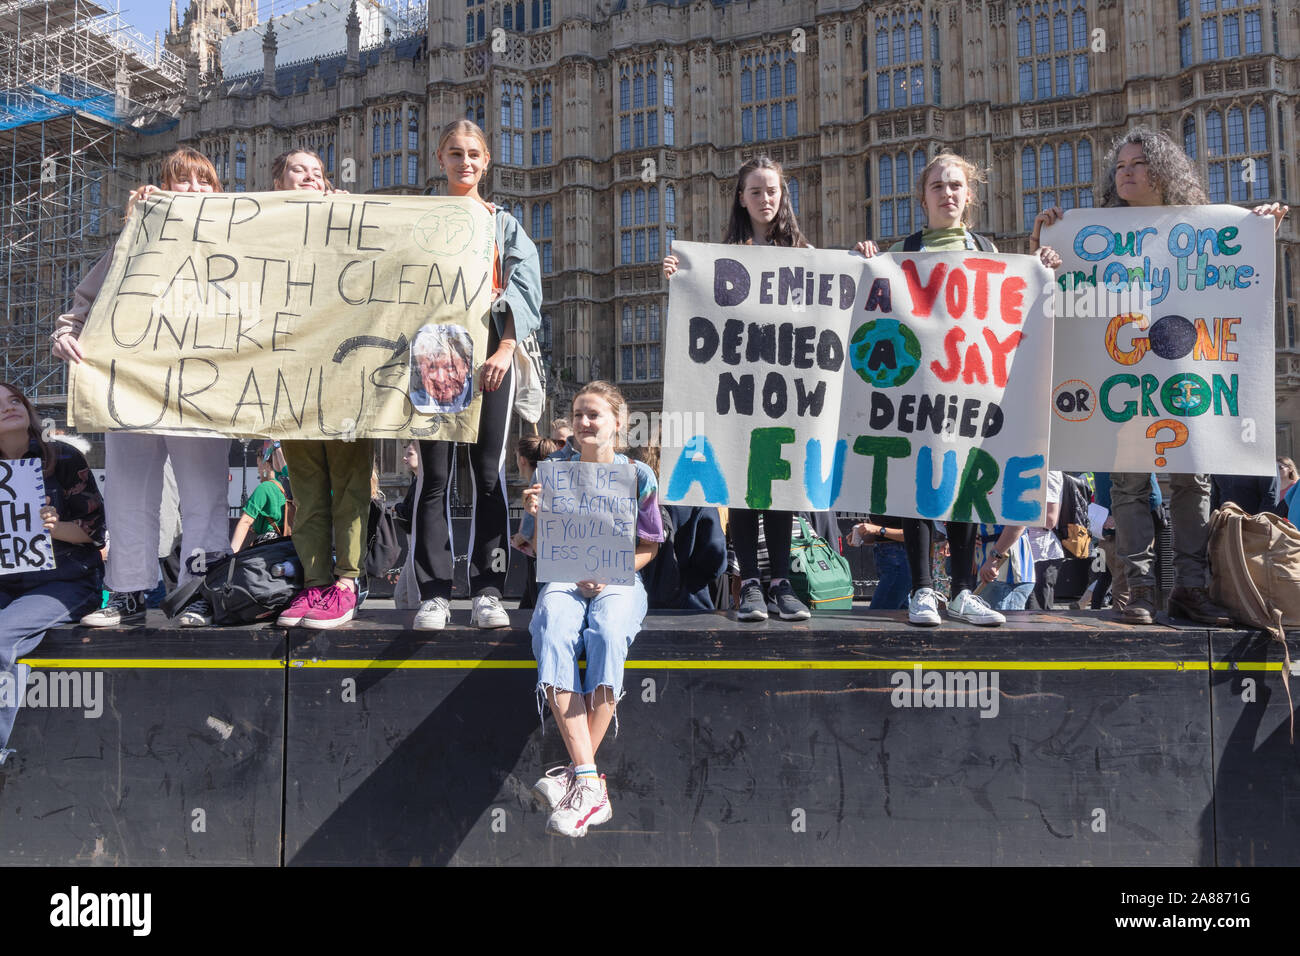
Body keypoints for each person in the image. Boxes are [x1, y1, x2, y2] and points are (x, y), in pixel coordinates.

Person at [1032, 126, 1286, 624]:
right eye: (1120, 166)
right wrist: (1046, 241)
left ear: (1163, 171)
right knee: (1128, 485)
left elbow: (1236, 282)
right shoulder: (1092, 232)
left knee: (1193, 481)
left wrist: (1261, 229)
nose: (1124, 173)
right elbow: (1062, 292)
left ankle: (1191, 588)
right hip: (1123, 377)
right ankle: (1140, 590)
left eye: (1136, 164)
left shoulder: (1201, 226)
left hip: (1186, 376)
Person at [857, 151, 1061, 628]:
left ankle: (964, 590)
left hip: (971, 386)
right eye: (938, 186)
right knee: (918, 487)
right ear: (923, 197)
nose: (947, 194)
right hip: (918, 389)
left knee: (967, 484)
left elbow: (1016, 307)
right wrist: (866, 262)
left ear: (969, 195)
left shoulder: (986, 251)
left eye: (955, 186)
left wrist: (1041, 264)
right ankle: (923, 590)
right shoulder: (902, 253)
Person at [52, 147, 232, 629]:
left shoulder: (237, 239)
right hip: (131, 383)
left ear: (217, 192)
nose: (192, 189)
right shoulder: (135, 238)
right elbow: (90, 297)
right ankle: (129, 592)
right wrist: (67, 330)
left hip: (201, 386)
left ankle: (198, 593)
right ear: (162, 188)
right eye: (181, 180)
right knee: (130, 491)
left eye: (202, 181)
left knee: (203, 494)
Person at [663, 155, 818, 623]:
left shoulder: (804, 254)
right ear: (741, 197)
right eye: (756, 191)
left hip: (785, 386)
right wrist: (680, 276)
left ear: (781, 195)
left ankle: (780, 584)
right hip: (739, 388)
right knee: (742, 484)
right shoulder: (723, 258)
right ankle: (750, 580)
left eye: (772, 191)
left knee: (780, 489)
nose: (765, 199)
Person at [410, 120, 543, 631]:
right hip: (433, 355)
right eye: (454, 153)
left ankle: (488, 588)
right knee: (436, 478)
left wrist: (506, 347)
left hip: (490, 356)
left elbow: (525, 284)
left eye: (473, 154)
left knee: (488, 474)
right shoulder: (418, 220)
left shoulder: (502, 224)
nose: (464, 162)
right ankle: (435, 592)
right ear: (439, 159)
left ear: (487, 161)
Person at [522, 381, 663, 837]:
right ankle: (589, 782)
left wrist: (613, 569)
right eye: (578, 414)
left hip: (619, 577)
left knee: (606, 632)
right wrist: (538, 515)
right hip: (565, 577)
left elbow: (649, 546)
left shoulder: (639, 476)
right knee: (551, 625)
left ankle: (574, 775)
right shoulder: (550, 473)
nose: (584, 422)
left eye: (594, 415)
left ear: (617, 423)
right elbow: (538, 548)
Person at [268, 149, 373, 630]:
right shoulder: (255, 224)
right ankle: (314, 585)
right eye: (298, 170)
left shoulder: (345, 219)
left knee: (350, 487)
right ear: (278, 181)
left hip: (345, 373)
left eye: (318, 172)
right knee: (306, 490)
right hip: (292, 377)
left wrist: (349, 219)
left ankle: (347, 584)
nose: (310, 177)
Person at [0, 383, 105, 764]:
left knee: (0, 639)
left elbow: (94, 533)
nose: (9, 407)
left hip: (66, 580)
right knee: (8, 643)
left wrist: (53, 526)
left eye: (14, 400)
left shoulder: (62, 458)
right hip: (8, 582)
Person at [512, 435, 561, 610]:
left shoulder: (539, 476)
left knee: (535, 602)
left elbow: (532, 517)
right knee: (529, 601)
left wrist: (520, 536)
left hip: (539, 552)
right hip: (546, 551)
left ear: (522, 460)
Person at [409, 324, 474, 413]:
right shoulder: (415, 398)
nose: (440, 378)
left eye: (450, 367)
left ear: (466, 365)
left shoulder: (476, 395)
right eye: (432, 368)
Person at [230, 455, 289, 552]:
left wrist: (232, 554)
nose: (258, 470)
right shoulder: (285, 488)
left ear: (266, 465)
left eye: (258, 465)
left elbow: (245, 522)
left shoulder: (265, 488)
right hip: (284, 545)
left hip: (267, 547)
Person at [852, 516, 909, 610]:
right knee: (898, 615)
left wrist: (878, 529)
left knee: (878, 614)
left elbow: (913, 534)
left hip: (900, 562)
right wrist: (862, 534)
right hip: (886, 559)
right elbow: (878, 535)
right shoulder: (878, 502)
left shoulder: (908, 503)